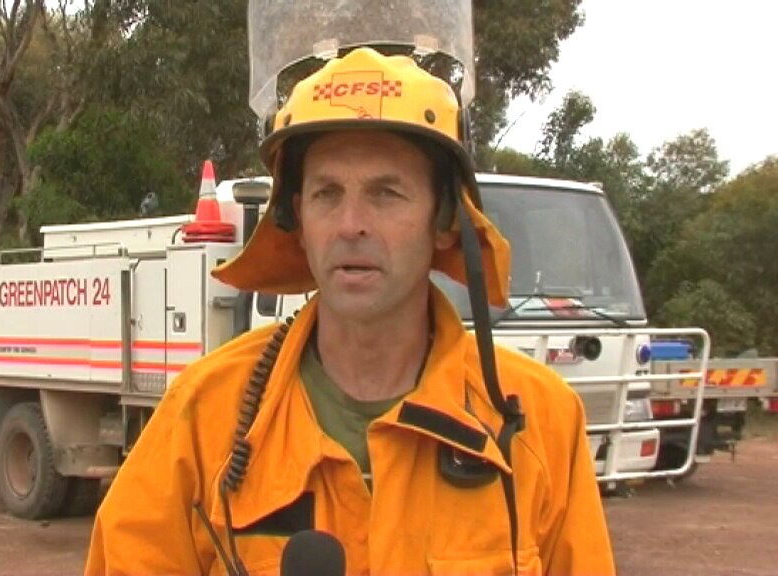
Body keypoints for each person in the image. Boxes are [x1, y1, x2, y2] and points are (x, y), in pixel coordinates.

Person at [85, 48, 614, 574]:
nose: (350, 224)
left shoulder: (539, 424)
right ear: (298, 218)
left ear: (446, 220)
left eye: (386, 193)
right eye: (327, 194)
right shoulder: (202, 416)